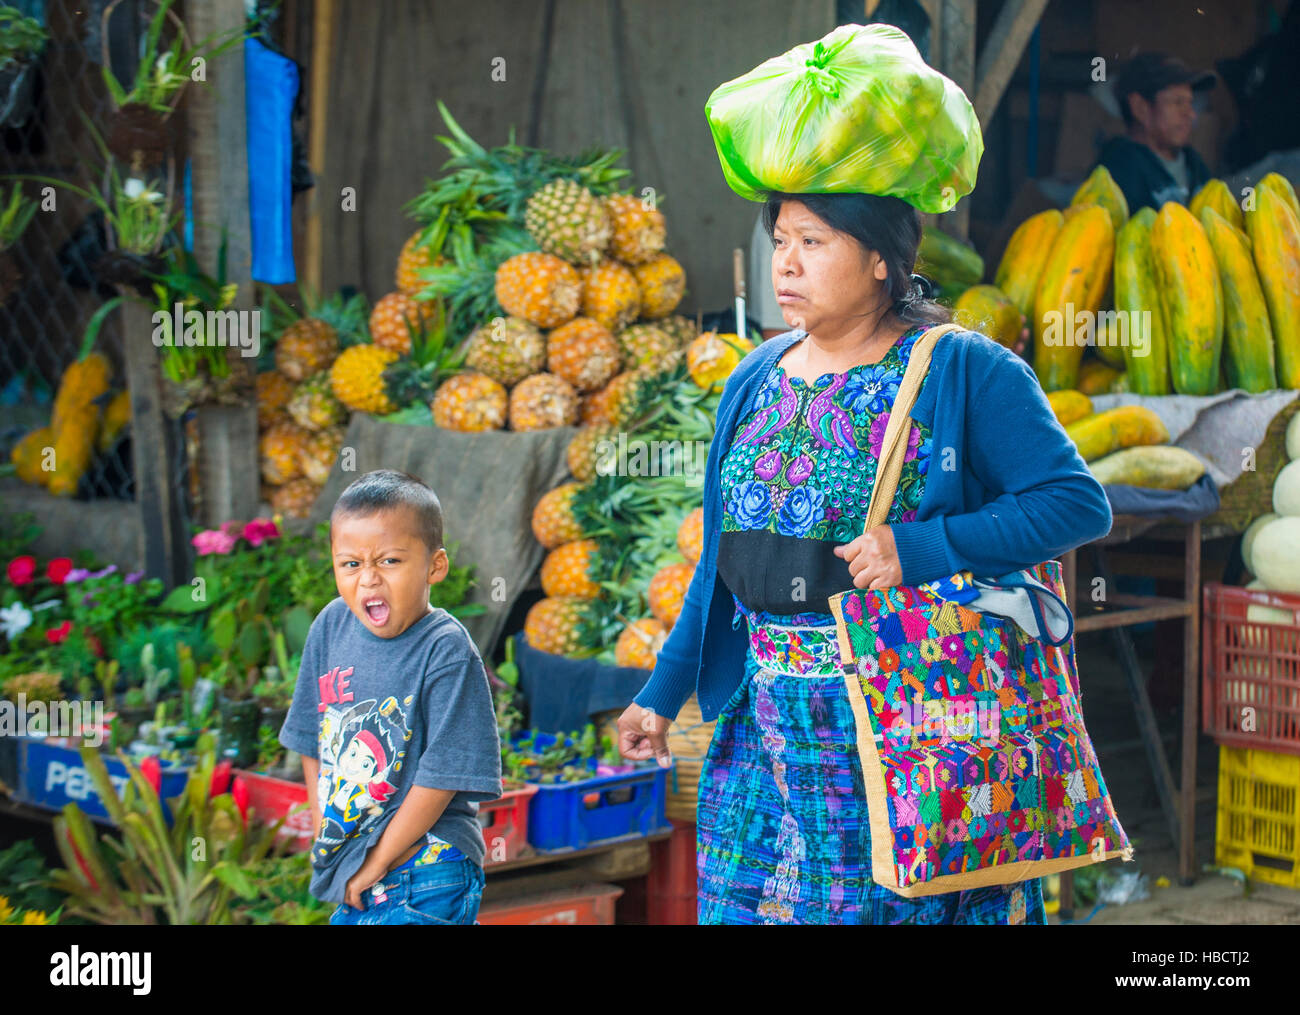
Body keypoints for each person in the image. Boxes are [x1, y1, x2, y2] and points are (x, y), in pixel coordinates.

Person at [616, 191, 1113, 925]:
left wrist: (920, 548)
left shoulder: (961, 369)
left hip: (901, 729)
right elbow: (722, 559)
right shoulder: (757, 374)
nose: (785, 262)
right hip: (764, 734)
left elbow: (1074, 504)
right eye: (780, 240)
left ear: (882, 258)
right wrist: (661, 692)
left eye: (813, 242)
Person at [279, 469, 502, 925]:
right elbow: (311, 739)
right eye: (351, 564)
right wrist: (330, 835)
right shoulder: (330, 627)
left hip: (425, 868)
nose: (369, 580)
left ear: (435, 566)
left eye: (390, 561)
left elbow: (443, 775)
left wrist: (379, 859)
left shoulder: (446, 648)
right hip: (356, 866)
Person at [1096, 52, 1216, 213]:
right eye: (1178, 102)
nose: (1191, 114)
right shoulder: (1119, 170)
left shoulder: (1194, 164)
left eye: (1190, 103)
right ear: (1140, 108)